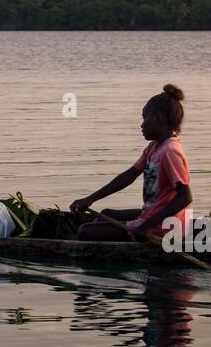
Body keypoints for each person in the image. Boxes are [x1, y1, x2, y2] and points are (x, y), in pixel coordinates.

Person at [71, 84, 192, 242]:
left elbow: (185, 197)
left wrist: (145, 227)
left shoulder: (170, 151)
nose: (141, 125)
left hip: (166, 227)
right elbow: (128, 176)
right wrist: (90, 199)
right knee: (106, 214)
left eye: (144, 119)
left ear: (158, 119)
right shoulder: (154, 147)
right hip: (154, 215)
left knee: (85, 232)